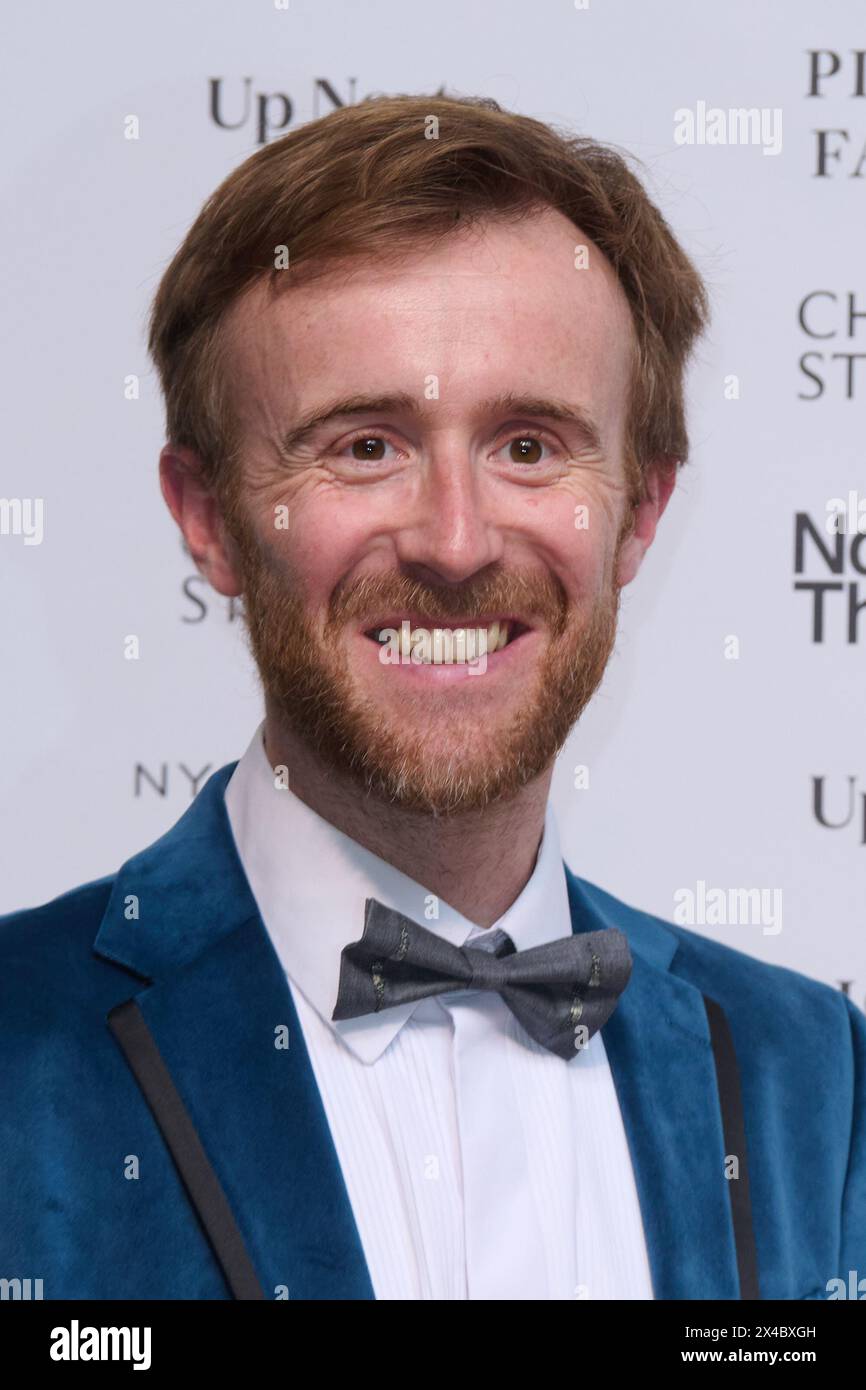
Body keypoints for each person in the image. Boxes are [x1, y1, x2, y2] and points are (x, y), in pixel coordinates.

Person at [1, 93, 863, 1302]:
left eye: (527, 445)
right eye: (364, 446)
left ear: (640, 510)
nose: (454, 542)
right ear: (210, 520)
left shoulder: (806, 1079)